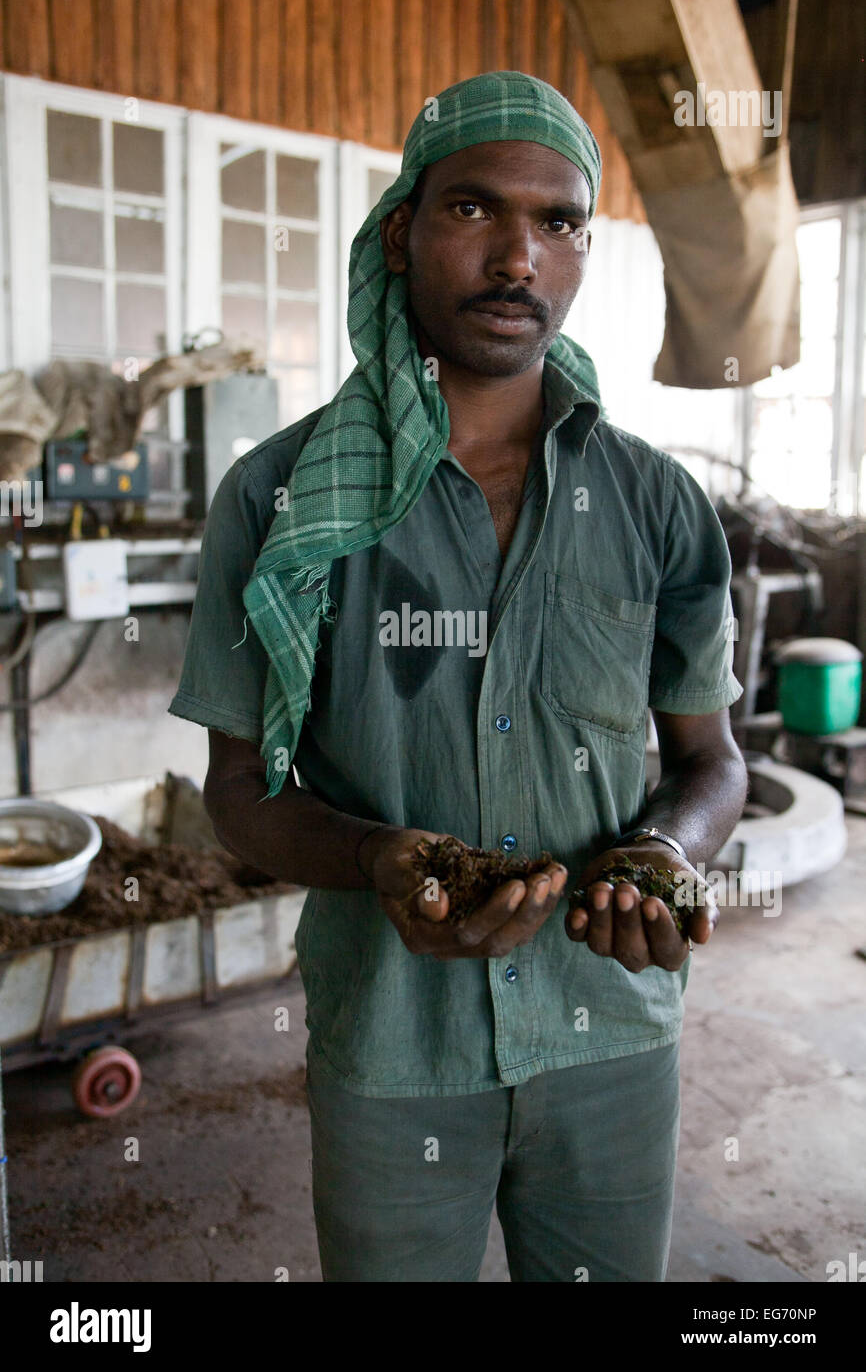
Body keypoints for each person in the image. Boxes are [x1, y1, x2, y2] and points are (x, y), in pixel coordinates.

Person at [169, 70, 748, 1283]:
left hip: (612, 1032)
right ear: (401, 232)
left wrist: (664, 853)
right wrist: (377, 857)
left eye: (556, 222)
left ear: (584, 248)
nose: (515, 256)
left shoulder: (654, 504)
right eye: (473, 209)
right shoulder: (276, 502)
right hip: (391, 1046)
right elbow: (236, 791)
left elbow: (708, 761)